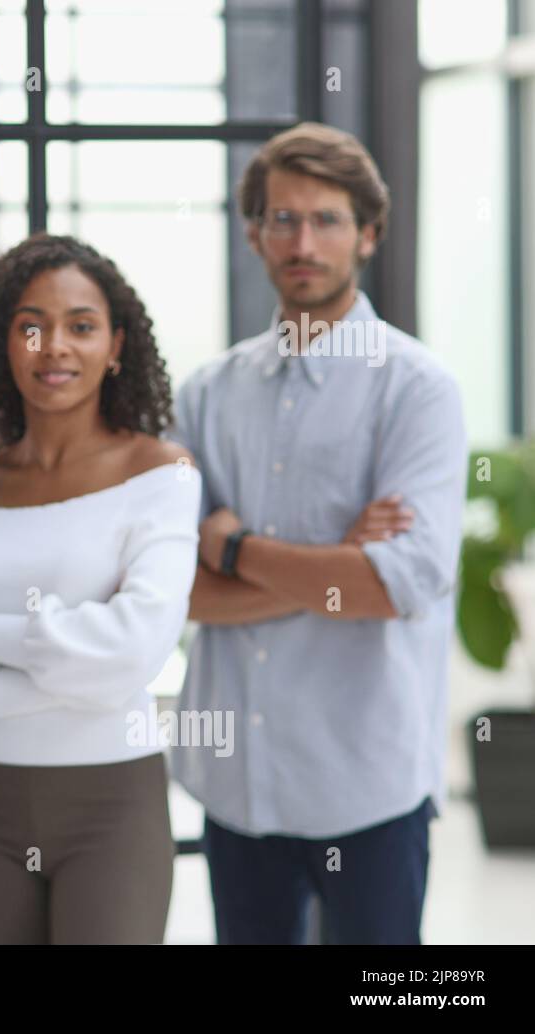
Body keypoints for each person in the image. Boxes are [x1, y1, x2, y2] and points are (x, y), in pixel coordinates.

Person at [168, 122, 467, 944]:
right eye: (282, 219)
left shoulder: (419, 391)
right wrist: (334, 563)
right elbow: (176, 591)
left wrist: (232, 548)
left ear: (368, 233)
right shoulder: (206, 394)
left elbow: (395, 584)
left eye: (328, 219)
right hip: (240, 789)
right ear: (255, 234)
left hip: (366, 784)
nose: (303, 241)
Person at [0, 233, 201, 944]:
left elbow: (135, 650)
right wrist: (77, 666)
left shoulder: (161, 475)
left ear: (115, 347)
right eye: (31, 327)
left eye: (81, 326)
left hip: (113, 802)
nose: (55, 348)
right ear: (2, 343)